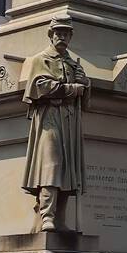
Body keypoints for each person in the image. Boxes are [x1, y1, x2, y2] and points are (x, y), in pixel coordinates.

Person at [22, 16, 90, 231]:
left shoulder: (72, 64)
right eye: (57, 33)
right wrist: (71, 88)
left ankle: (60, 218)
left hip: (70, 119)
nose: (61, 36)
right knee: (50, 166)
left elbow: (84, 97)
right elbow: (39, 87)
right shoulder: (40, 60)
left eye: (65, 33)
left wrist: (85, 84)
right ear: (50, 35)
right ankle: (47, 216)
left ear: (70, 37)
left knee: (68, 170)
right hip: (50, 118)